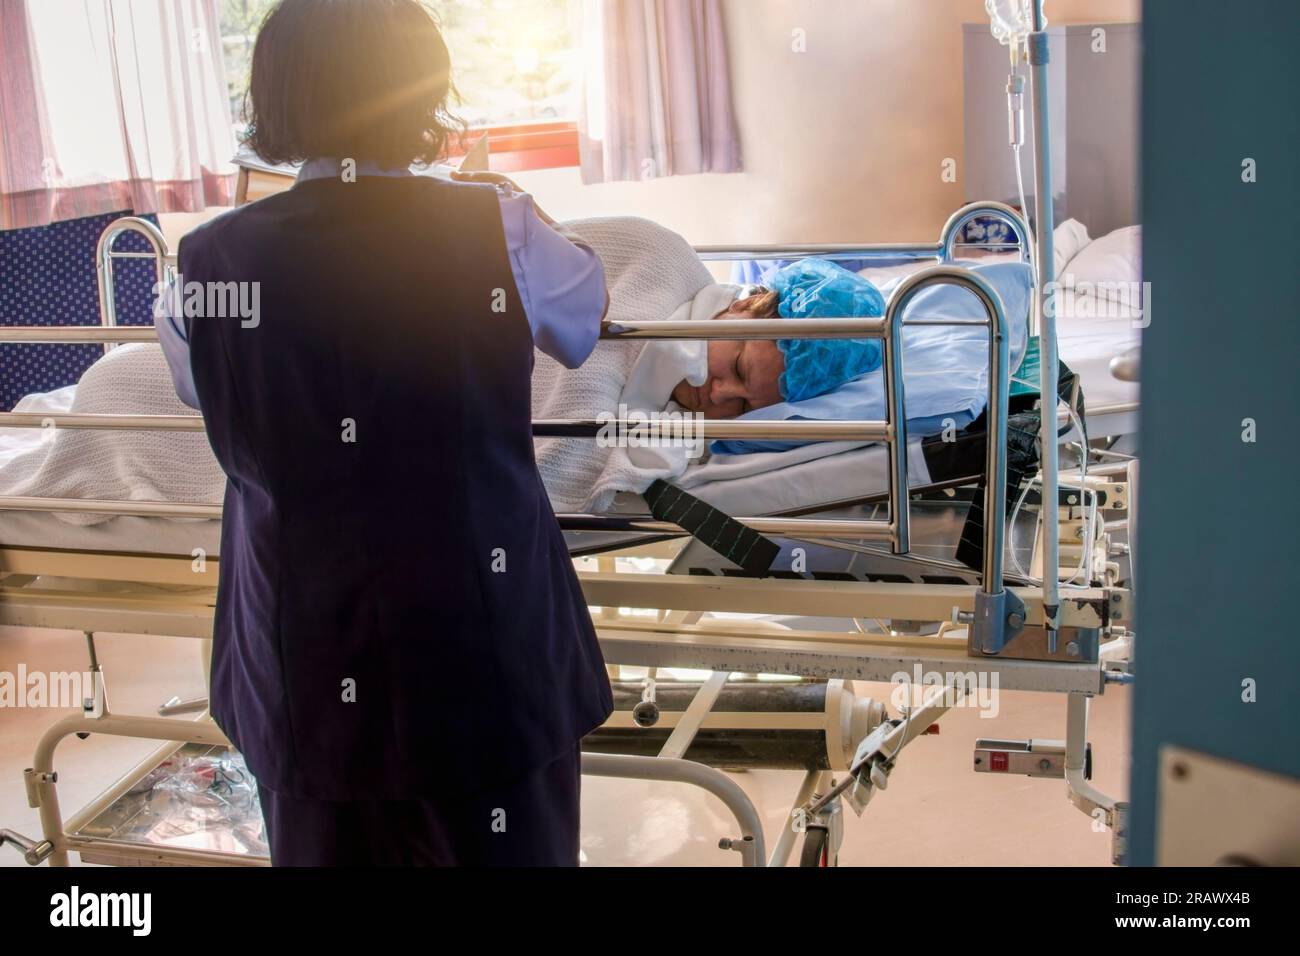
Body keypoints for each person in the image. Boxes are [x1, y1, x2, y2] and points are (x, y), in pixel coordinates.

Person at [154, 0, 612, 866]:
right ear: (425, 92)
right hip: (482, 631)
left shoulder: (209, 263)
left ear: (276, 99)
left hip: (305, 646)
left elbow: (192, 382)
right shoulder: (496, 227)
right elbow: (583, 318)